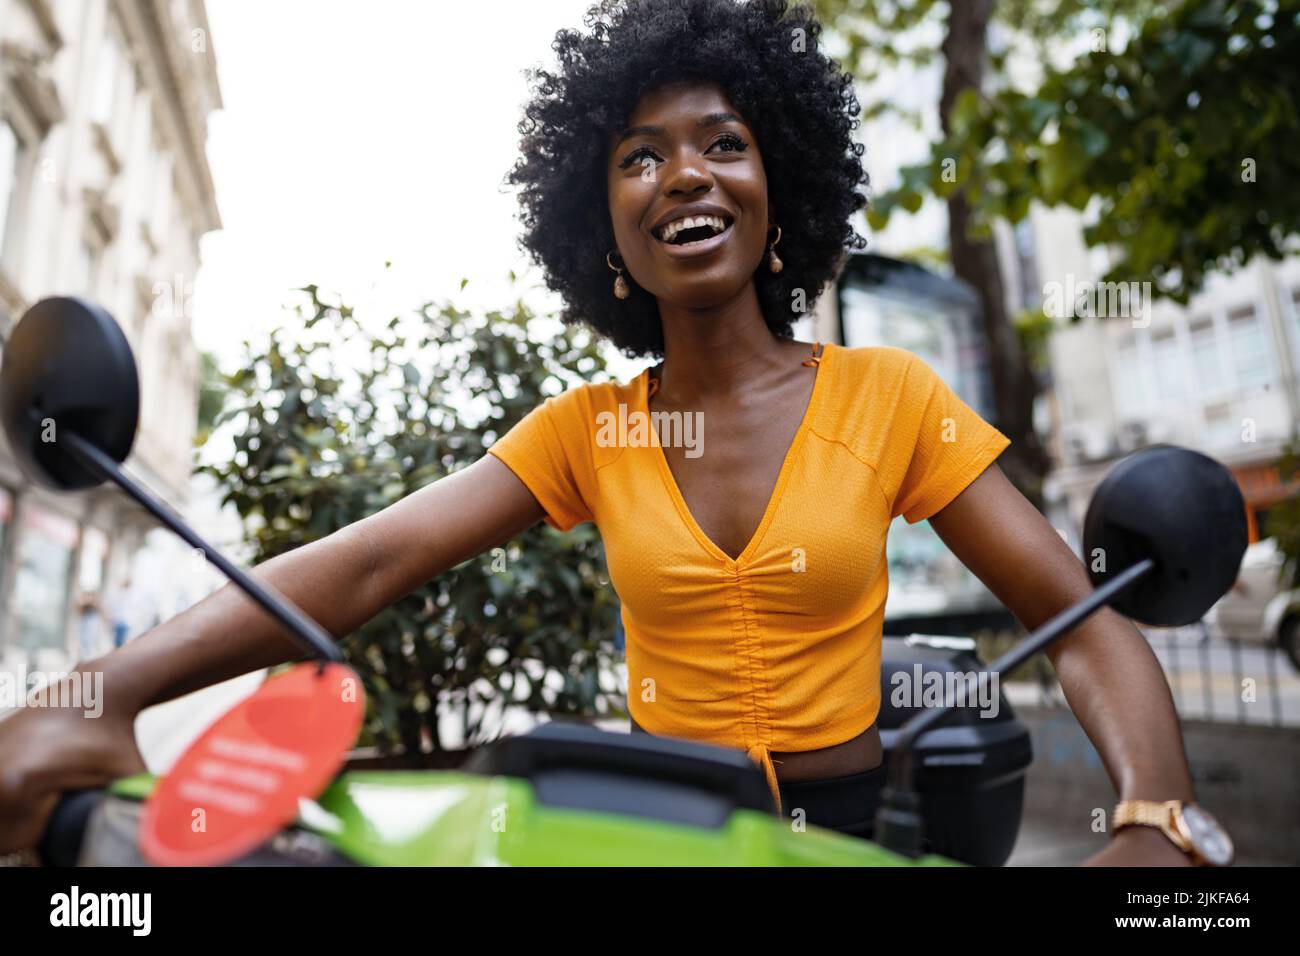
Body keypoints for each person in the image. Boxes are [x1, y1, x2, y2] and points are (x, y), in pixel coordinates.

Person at [0, 0, 1203, 865]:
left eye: (723, 143)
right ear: (604, 225)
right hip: (646, 833)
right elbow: (364, 561)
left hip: (846, 837)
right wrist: (96, 686)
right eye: (641, 157)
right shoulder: (591, 431)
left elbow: (1083, 626)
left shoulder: (889, 398)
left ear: (780, 187)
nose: (685, 175)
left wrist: (1154, 813)